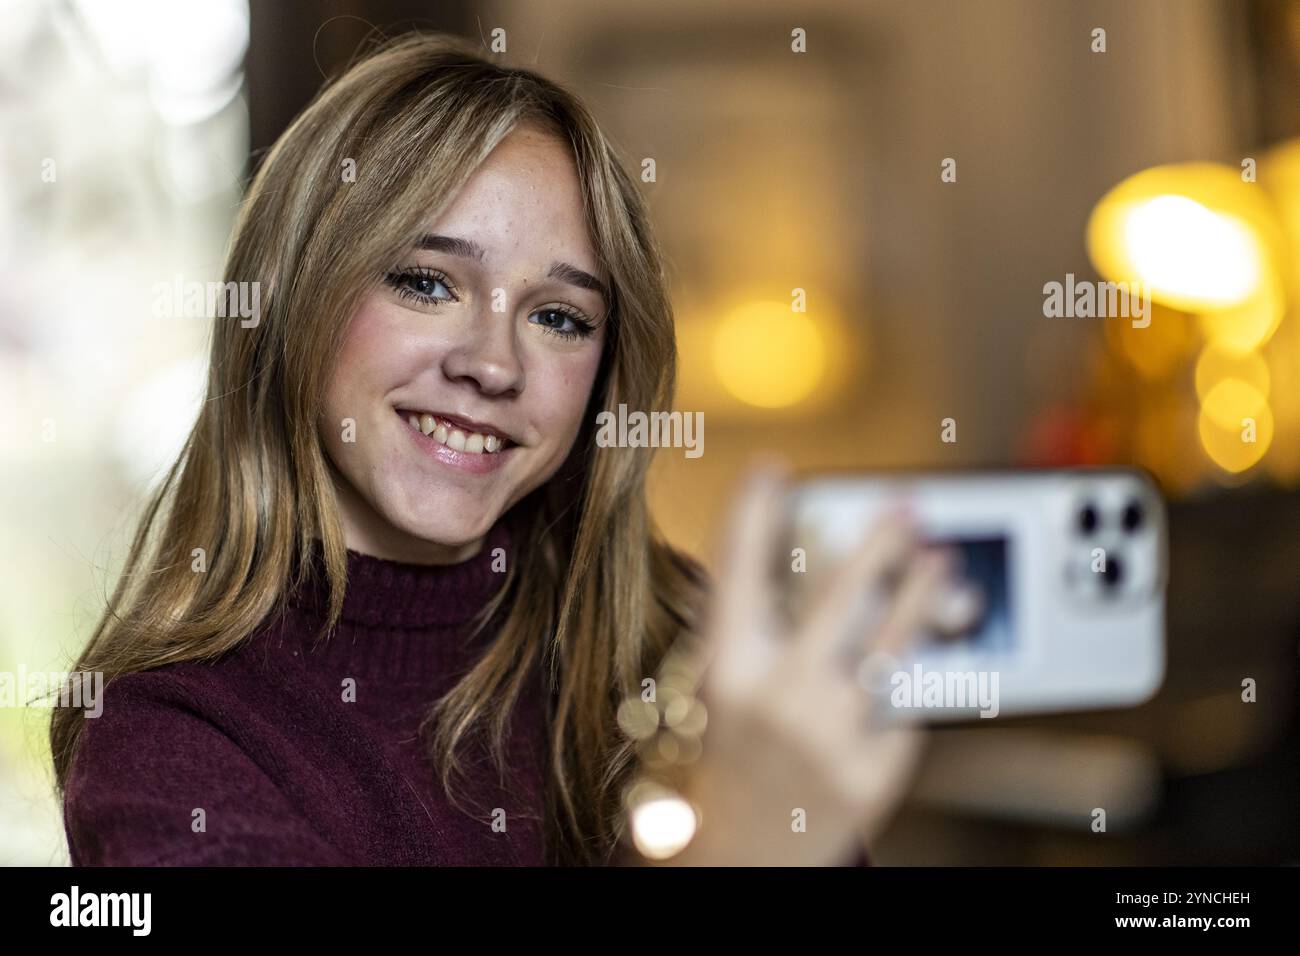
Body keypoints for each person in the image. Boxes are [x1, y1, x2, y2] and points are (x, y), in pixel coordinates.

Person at [50, 31, 966, 866]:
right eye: (425, 282)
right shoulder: (170, 737)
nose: (494, 363)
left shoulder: (694, 651)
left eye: (559, 316)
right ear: (294, 300)